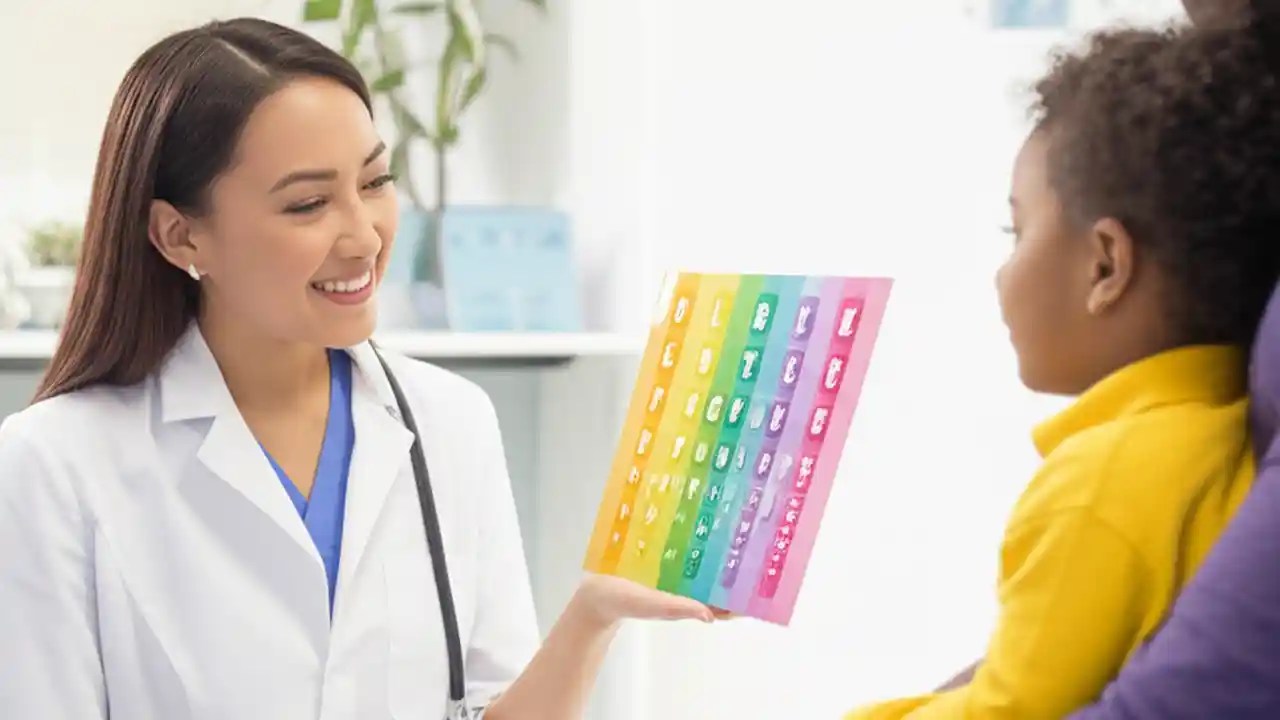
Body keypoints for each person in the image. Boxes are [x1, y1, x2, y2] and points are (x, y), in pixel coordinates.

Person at [0, 18, 717, 720]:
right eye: (309, 204)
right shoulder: (58, 462)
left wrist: (593, 615)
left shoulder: (450, 421)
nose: (366, 234)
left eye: (375, 181)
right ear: (179, 234)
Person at [848, 11, 1280, 720]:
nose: (1001, 273)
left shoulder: (1097, 480)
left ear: (1106, 265)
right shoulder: (1224, 434)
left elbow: (1011, 710)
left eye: (1014, 232)